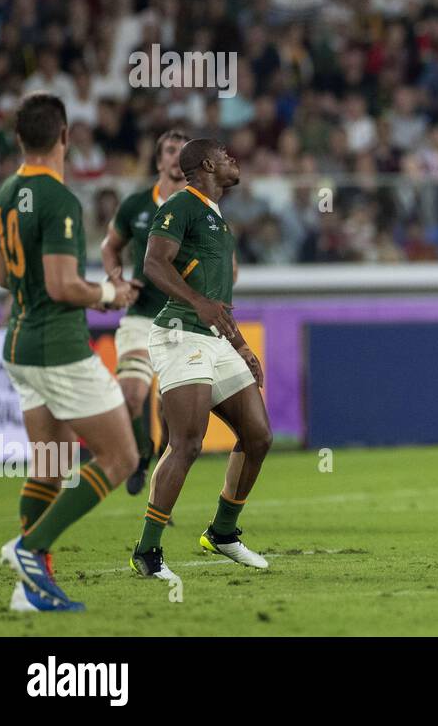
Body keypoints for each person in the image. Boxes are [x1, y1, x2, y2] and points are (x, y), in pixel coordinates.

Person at [0, 93, 139, 612]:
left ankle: (29, 593)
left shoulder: (4, 195)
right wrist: (107, 294)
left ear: (18, 140)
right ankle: (29, 550)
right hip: (57, 348)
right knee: (121, 456)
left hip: (19, 343)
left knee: (50, 467)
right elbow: (61, 285)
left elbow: (1, 275)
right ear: (63, 137)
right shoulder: (58, 200)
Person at [130, 138, 271, 581]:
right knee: (187, 442)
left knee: (259, 435)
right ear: (208, 164)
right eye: (227, 155)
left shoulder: (216, 217)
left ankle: (223, 533)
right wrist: (198, 302)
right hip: (179, 334)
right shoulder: (182, 205)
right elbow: (154, 263)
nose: (234, 160)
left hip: (215, 337)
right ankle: (148, 551)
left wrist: (242, 345)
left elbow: (217, 301)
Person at [101, 128, 189, 494]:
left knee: (172, 413)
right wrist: (117, 282)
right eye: (171, 151)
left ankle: (161, 487)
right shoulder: (136, 204)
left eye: (184, 153)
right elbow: (110, 248)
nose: (177, 158)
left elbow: (225, 261)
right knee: (131, 394)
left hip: (182, 320)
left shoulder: (202, 209)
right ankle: (140, 452)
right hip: (139, 315)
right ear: (158, 160)